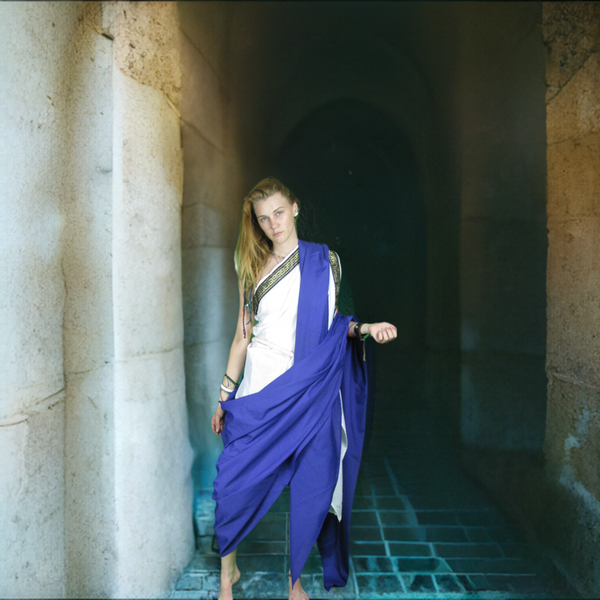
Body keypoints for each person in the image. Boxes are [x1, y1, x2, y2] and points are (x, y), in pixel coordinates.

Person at [211, 177, 397, 600]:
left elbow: (339, 324)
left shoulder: (326, 261)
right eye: (263, 219)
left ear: (294, 208)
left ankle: (295, 583)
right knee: (232, 482)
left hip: (312, 388)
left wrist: (367, 328)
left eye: (279, 212)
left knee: (312, 482)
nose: (273, 224)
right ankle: (228, 574)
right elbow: (242, 337)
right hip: (261, 388)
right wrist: (224, 396)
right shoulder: (252, 268)